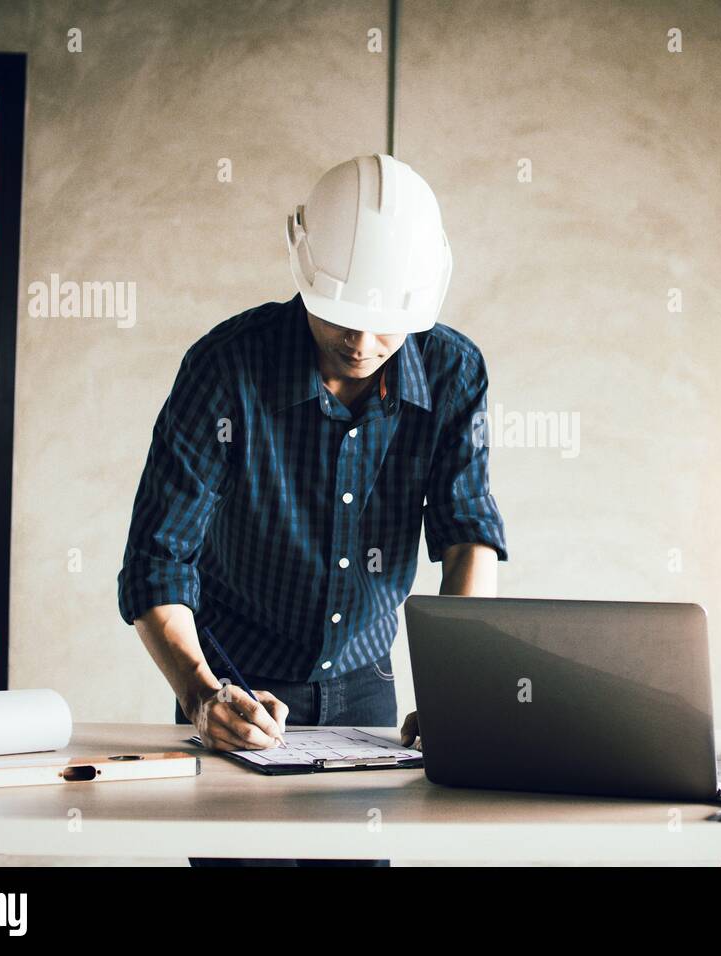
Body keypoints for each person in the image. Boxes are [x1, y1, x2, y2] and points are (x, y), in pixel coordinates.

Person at [116, 154, 507, 866]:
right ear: (301, 273)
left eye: (386, 327)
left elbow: (467, 533)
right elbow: (156, 564)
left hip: (366, 691)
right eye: (341, 319)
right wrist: (202, 697)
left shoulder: (454, 373)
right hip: (232, 682)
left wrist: (461, 688)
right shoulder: (225, 369)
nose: (361, 345)